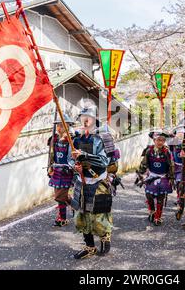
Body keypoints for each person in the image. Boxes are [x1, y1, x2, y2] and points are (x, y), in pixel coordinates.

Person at [70, 105, 113, 259]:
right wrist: (76, 167)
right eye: (82, 117)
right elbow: (71, 158)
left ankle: (105, 236)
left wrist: (84, 155)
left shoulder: (103, 137)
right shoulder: (76, 138)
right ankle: (89, 247)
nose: (85, 120)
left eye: (88, 117)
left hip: (98, 182)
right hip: (82, 182)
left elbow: (104, 161)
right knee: (82, 215)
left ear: (95, 120)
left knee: (98, 216)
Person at [137, 130, 175, 226]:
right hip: (152, 176)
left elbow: (171, 165)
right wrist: (141, 173)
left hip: (163, 177)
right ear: (154, 140)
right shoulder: (149, 151)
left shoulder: (167, 152)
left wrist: (171, 178)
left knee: (160, 197)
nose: (160, 142)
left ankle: (158, 217)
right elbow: (144, 163)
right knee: (148, 194)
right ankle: (152, 211)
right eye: (158, 140)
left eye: (162, 140)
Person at [47, 114, 75, 227]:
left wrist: (70, 166)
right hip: (56, 169)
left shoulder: (72, 139)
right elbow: (51, 155)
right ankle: (73, 206)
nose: (59, 127)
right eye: (58, 125)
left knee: (59, 197)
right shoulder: (54, 138)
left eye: (61, 125)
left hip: (66, 170)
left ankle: (63, 217)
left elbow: (73, 157)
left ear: (68, 126)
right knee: (59, 196)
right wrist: (50, 167)